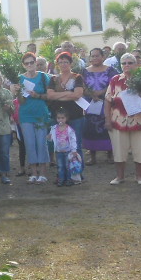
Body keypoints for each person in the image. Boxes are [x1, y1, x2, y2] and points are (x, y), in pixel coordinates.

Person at [104, 53, 141, 185]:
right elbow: (108, 100)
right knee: (119, 149)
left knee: (140, 148)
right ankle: (120, 177)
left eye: (130, 63)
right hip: (119, 120)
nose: (126, 65)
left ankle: (140, 176)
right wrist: (107, 120)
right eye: (124, 63)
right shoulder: (115, 79)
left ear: (136, 64)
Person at [47, 51, 86, 182]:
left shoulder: (77, 77)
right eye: (61, 62)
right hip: (57, 116)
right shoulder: (53, 79)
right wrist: (68, 93)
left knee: (76, 144)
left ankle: (77, 173)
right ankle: (62, 173)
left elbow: (78, 94)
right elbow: (50, 95)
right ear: (57, 64)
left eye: (66, 62)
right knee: (59, 145)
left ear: (71, 63)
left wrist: (60, 95)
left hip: (75, 115)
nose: (63, 64)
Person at [16, 52, 52, 184]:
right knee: (30, 143)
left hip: (41, 113)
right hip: (25, 114)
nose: (30, 65)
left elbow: (49, 95)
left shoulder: (43, 77)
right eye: (27, 63)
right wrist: (18, 92)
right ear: (23, 65)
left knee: (41, 142)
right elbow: (21, 101)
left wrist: (38, 95)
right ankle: (33, 173)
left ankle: (43, 173)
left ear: (36, 62)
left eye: (32, 62)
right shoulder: (19, 78)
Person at [81, 47, 117, 165]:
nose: (95, 58)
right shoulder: (84, 71)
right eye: (92, 56)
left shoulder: (110, 70)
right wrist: (91, 94)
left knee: (108, 128)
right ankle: (92, 156)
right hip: (90, 103)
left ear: (103, 57)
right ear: (89, 58)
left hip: (107, 103)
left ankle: (110, 154)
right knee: (90, 129)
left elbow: (114, 84)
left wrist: (101, 92)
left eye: (97, 55)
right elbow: (81, 86)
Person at [50, 110, 78, 186]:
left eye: (62, 118)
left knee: (67, 166)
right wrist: (49, 137)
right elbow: (51, 138)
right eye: (58, 118)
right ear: (56, 119)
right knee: (60, 166)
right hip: (58, 151)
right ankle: (61, 179)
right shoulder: (54, 128)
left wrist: (74, 150)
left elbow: (73, 140)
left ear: (66, 118)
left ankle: (69, 179)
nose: (60, 120)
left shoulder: (69, 129)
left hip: (68, 151)